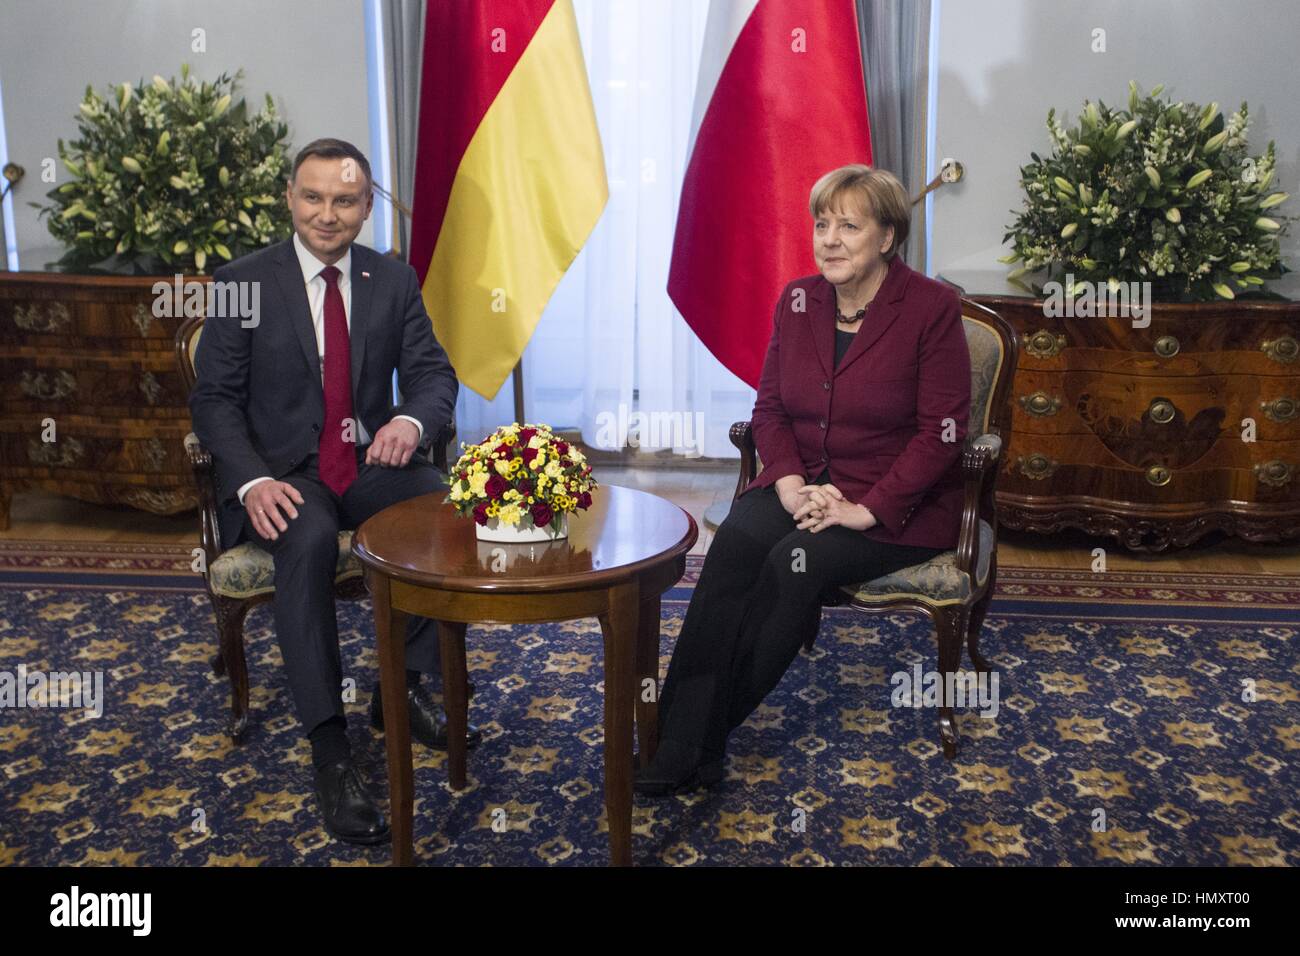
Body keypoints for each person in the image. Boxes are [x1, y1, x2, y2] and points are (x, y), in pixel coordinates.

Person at [636, 164, 972, 796]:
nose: (831, 240)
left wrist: (864, 510)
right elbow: (769, 410)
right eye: (822, 225)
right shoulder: (798, 300)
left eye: (850, 225)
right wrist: (788, 484)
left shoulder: (931, 307)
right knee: (735, 542)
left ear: (887, 238)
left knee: (795, 561)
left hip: (894, 504)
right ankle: (681, 738)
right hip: (805, 483)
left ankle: (696, 743)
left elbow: (943, 433)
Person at [190, 138, 481, 845]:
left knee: (443, 508)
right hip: (284, 474)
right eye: (313, 197)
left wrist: (411, 421)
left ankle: (401, 690)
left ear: (365, 205)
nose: (327, 214)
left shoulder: (393, 280)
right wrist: (252, 478)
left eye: (344, 200)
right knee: (311, 538)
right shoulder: (243, 283)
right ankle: (330, 749)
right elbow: (215, 402)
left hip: (366, 459)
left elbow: (435, 377)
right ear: (290, 199)